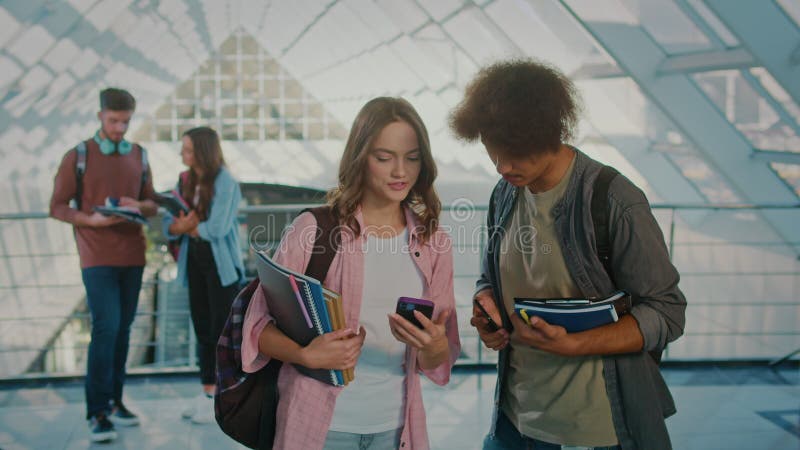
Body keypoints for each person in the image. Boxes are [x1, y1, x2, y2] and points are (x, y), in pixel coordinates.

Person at [449, 59, 687, 450]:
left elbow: (667, 312)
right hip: (513, 419)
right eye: (492, 150)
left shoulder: (614, 200)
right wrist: (486, 305)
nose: (502, 165)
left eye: (516, 153)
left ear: (550, 133)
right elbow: (490, 278)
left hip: (593, 430)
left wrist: (576, 344)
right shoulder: (505, 192)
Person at [241, 97, 460, 450]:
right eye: (384, 158)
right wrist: (305, 355)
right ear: (361, 157)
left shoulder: (434, 242)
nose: (400, 171)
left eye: (413, 158)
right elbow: (255, 328)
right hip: (319, 426)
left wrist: (434, 347)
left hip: (397, 429)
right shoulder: (311, 229)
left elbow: (438, 359)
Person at [49, 88, 158, 442]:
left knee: (124, 329)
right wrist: (89, 220)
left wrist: (138, 206)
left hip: (133, 254)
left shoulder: (139, 155)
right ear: (100, 116)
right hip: (95, 255)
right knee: (106, 327)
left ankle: (115, 401)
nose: (119, 128)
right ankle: (97, 411)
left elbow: (153, 204)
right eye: (113, 121)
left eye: (125, 122)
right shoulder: (77, 156)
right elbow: (57, 206)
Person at [162, 126, 245, 424]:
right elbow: (167, 224)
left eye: (187, 149)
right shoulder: (185, 180)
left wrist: (188, 227)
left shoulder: (225, 182)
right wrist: (182, 227)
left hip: (220, 267)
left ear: (202, 151)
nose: (182, 154)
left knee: (220, 332)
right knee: (201, 328)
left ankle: (225, 398)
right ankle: (207, 393)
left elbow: (218, 228)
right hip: (195, 262)